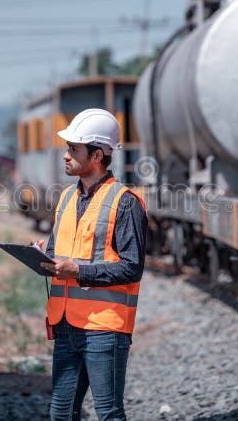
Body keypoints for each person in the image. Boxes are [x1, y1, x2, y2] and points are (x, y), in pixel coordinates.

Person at [33, 108, 148, 421]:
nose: (66, 156)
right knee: (61, 413)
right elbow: (60, 251)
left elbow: (132, 267)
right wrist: (41, 256)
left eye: (74, 149)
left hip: (104, 327)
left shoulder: (125, 202)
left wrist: (79, 272)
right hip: (66, 324)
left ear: (97, 155)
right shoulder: (68, 198)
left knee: (108, 413)